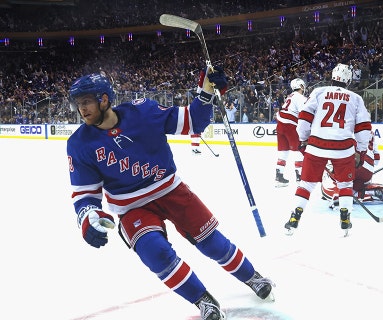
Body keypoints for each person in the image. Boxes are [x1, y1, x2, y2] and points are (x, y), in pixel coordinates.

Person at [66, 69, 274, 320]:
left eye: (86, 101)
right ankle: (203, 300)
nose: (82, 109)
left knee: (212, 243)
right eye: (78, 104)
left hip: (170, 189)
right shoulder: (79, 143)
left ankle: (253, 277)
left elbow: (192, 121)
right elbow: (85, 194)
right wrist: (88, 216)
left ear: (104, 99)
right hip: (131, 208)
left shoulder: (142, 112)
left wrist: (207, 92)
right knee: (155, 252)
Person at [284, 63, 372, 236]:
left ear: (332, 76)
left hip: (317, 145)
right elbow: (363, 128)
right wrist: (361, 151)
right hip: (344, 148)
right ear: (348, 80)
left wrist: (303, 139)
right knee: (345, 184)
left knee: (306, 184)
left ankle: (294, 218)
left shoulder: (318, 92)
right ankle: (345, 219)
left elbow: (304, 117)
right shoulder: (356, 98)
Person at [321, 130, 383, 208]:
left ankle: (339, 196)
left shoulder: (344, 128)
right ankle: (369, 193)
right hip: (368, 172)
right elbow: (376, 160)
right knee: (356, 186)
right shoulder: (369, 131)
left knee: (336, 178)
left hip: (353, 163)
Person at [274, 78, 306, 187]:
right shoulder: (300, 97)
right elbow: (303, 114)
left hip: (280, 125)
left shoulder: (290, 96)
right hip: (290, 125)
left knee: (283, 151)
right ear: (301, 86)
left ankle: (279, 177)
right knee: (298, 151)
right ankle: (300, 178)